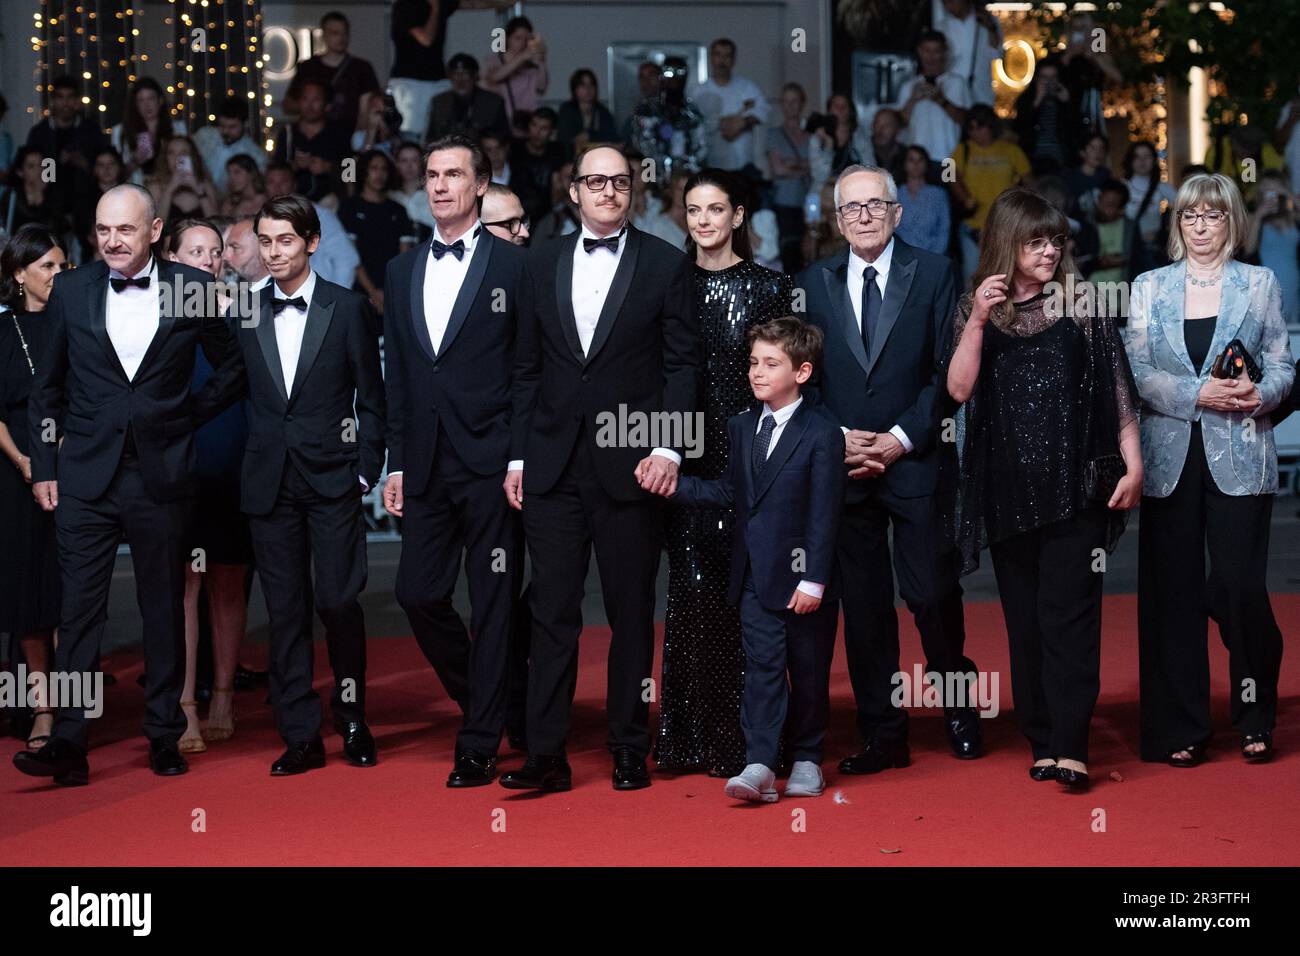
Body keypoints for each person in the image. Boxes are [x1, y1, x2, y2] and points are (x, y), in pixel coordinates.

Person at [14, 184, 245, 786]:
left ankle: (164, 734)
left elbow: (234, 366)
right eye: (103, 230)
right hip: (85, 476)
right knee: (78, 611)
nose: (112, 241)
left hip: (161, 473)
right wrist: (45, 466)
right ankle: (68, 741)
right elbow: (47, 389)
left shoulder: (193, 288)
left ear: (155, 230)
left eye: (125, 229)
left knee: (161, 607)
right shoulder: (72, 289)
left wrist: (187, 415)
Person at [500, 144, 699, 792]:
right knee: (551, 612)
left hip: (632, 466)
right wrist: (519, 454)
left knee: (630, 613)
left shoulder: (667, 263)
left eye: (619, 181)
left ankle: (628, 747)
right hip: (553, 465)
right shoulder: (539, 263)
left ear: (632, 189)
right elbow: (526, 369)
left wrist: (668, 449)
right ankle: (546, 755)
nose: (608, 191)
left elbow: (682, 366)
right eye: (595, 181)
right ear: (574, 190)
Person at [947, 188, 1142, 791]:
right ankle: (1042, 737)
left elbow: (1118, 394)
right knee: (1025, 623)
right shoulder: (976, 309)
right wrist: (977, 320)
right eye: (1035, 241)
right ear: (1007, 243)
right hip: (1007, 492)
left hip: (1076, 488)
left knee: (1071, 618)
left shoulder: (1083, 305)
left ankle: (1072, 745)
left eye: (1055, 240)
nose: (1049, 251)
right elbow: (958, 390)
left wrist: (1134, 466)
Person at [796, 164, 980, 774]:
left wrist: (900, 439)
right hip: (846, 468)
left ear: (897, 214)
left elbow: (947, 372)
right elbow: (804, 378)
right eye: (852, 207)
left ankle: (959, 706)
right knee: (865, 607)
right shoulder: (811, 283)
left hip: (916, 460)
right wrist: (840, 438)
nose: (865, 216)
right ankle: (882, 732)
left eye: (876, 204)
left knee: (931, 594)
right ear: (837, 219)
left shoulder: (934, 273)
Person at [1122, 173, 1295, 767]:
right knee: (1172, 592)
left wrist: (1259, 393)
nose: (1200, 226)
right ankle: (1183, 726)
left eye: (1213, 215)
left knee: (1239, 588)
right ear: (1178, 223)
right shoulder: (1149, 286)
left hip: (1242, 449)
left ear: (1231, 221)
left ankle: (1255, 713)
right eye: (1190, 216)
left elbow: (1282, 365)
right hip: (1168, 457)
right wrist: (1197, 393)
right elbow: (1135, 370)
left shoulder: (1259, 283)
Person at [382, 134, 527, 786]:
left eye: (453, 174)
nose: (440, 185)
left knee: (494, 603)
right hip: (426, 463)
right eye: (432, 175)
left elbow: (527, 372)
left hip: (493, 463)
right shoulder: (401, 270)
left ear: (480, 185)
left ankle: (478, 744)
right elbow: (399, 376)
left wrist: (520, 457)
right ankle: (494, 705)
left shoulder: (515, 267)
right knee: (417, 593)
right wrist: (396, 462)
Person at [662, 318, 844, 802]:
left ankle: (807, 758)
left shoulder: (824, 432)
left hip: (804, 581)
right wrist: (674, 486)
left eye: (770, 364)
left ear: (802, 372)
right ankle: (760, 763)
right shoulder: (743, 426)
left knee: (808, 671)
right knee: (762, 668)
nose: (756, 373)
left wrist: (814, 579)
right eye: (752, 363)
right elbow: (731, 492)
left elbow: (825, 513)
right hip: (754, 578)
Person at [237, 194, 385, 775]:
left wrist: (365, 468)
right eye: (265, 241)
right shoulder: (246, 311)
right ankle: (299, 733)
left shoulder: (347, 309)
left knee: (339, 602)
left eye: (286, 240)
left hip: (333, 480)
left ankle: (352, 718)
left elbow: (372, 398)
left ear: (312, 243)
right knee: (286, 610)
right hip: (268, 482)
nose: (274, 252)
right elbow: (227, 386)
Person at [656, 168, 793, 777]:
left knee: (749, 594)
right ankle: (691, 738)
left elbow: (786, 378)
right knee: (691, 589)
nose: (704, 220)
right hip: (684, 453)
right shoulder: (669, 282)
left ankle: (747, 740)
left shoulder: (771, 287)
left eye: (715, 209)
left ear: (738, 216)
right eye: (694, 210)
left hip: (749, 455)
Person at [164, 219, 252, 751]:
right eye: (195, 251)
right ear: (172, 258)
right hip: (178, 461)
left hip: (232, 458)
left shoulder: (242, 311)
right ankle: (185, 706)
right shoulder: (157, 311)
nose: (208, 260)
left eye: (215, 252)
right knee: (185, 585)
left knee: (227, 581)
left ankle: (223, 694)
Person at [0, 226, 68, 751]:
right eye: (47, 266)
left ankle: (73, 708)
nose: (58, 275)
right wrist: (25, 461)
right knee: (28, 595)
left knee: (72, 593)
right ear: (19, 274)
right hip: (15, 473)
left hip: (76, 470)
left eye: (64, 266)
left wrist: (64, 452)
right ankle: (42, 709)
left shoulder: (78, 323)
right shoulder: (3, 333)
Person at [388, 0, 515, 140]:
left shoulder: (441, 2)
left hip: (437, 80)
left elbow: (472, 3)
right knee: (411, 135)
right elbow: (426, 39)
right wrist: (435, 9)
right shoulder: (404, 5)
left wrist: (503, 3)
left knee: (442, 132)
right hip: (409, 83)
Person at [950, 105, 1030, 285]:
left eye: (980, 126)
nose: (976, 132)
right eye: (971, 128)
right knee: (972, 276)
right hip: (973, 226)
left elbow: (1029, 180)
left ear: (991, 126)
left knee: (1004, 276)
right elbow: (948, 175)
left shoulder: (1011, 150)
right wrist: (964, 197)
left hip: (1004, 225)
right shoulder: (963, 149)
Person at [338, 149, 416, 315]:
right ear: (364, 171)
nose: (379, 174)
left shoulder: (398, 210)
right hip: (357, 289)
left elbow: (404, 256)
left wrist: (390, 290)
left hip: (392, 290)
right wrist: (372, 291)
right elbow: (349, 255)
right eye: (374, 168)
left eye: (384, 169)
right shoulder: (349, 207)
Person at [264, 162, 360, 290]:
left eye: (283, 182)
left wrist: (336, 298)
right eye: (271, 182)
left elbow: (346, 259)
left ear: (294, 185)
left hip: (317, 295)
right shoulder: (259, 219)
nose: (277, 188)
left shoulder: (319, 216)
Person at [283, 11, 382, 134]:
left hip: (348, 136)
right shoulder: (308, 67)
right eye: (335, 33)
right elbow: (288, 104)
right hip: (315, 136)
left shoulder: (362, 68)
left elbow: (366, 109)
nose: (341, 38)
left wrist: (359, 138)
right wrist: (312, 107)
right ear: (324, 35)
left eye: (345, 33)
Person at [693, 38, 772, 177]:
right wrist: (722, 123)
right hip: (711, 165)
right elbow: (694, 125)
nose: (722, 61)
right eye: (718, 55)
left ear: (734, 59)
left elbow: (763, 110)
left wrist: (743, 123)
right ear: (711, 58)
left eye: (727, 56)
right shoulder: (699, 92)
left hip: (743, 166)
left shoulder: (747, 88)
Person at [894, 31, 969, 172]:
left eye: (936, 51)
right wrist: (913, 100)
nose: (931, 57)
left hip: (949, 159)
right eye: (927, 51)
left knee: (949, 187)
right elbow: (900, 124)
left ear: (944, 53)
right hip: (917, 161)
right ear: (919, 52)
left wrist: (940, 99)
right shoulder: (909, 86)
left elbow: (965, 121)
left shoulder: (957, 83)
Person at [629, 58, 708, 180]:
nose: (674, 77)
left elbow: (701, 147)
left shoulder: (692, 112)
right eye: (669, 72)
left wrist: (686, 169)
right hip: (653, 178)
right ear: (661, 76)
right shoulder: (646, 110)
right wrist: (654, 177)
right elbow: (641, 147)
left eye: (680, 72)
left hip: (685, 178)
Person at [273, 80, 351, 204]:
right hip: (293, 203)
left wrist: (328, 167)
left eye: (316, 100)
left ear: (327, 105)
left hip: (331, 203)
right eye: (305, 99)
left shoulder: (339, 134)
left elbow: (351, 173)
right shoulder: (287, 133)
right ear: (298, 102)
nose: (309, 106)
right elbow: (274, 171)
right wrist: (295, 165)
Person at [767, 83, 812, 274]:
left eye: (794, 101)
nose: (790, 106)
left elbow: (818, 167)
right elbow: (778, 169)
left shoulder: (811, 135)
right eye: (786, 101)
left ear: (802, 103)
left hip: (809, 202)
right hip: (784, 203)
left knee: (810, 254)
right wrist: (805, 166)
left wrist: (792, 164)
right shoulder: (774, 134)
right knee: (789, 255)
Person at [1244, 171, 1300, 325]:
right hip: (1265, 286)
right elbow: (1248, 249)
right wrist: (1259, 215)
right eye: (1266, 188)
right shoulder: (1253, 217)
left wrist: (1286, 192)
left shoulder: (1292, 216)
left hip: (1292, 282)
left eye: (1274, 187)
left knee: (1293, 330)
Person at [1059, 10, 1121, 140]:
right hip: (1068, 112)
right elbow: (1056, 75)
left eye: (1085, 28)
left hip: (1093, 109)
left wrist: (1094, 56)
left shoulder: (1100, 55)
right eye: (1076, 29)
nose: (1082, 33)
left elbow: (1117, 78)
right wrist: (1071, 54)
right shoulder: (1065, 57)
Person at [483, 16, 549, 137]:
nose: (523, 43)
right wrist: (522, 57)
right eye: (518, 38)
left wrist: (542, 61)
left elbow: (541, 87)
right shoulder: (494, 61)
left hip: (525, 126)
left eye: (527, 39)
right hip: (500, 125)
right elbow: (494, 77)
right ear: (507, 39)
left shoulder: (531, 65)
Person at [930, 0, 1002, 108]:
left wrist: (990, 28)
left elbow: (997, 54)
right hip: (952, 93)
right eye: (945, 3)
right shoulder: (941, 27)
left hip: (981, 91)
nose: (948, 6)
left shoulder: (987, 22)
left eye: (951, 2)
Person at [110, 77, 185, 180]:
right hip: (136, 185)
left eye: (151, 98)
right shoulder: (120, 131)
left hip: (169, 183)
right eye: (141, 100)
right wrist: (134, 161)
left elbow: (187, 163)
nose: (147, 105)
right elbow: (114, 176)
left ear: (160, 100)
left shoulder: (178, 128)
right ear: (135, 104)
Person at [193, 96, 268, 195]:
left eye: (232, 127)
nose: (225, 131)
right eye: (222, 126)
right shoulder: (203, 136)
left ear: (245, 124)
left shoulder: (256, 155)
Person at [1013, 54, 1074, 174]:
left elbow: (1073, 130)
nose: (1049, 82)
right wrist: (1037, 101)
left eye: (1053, 77)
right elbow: (1020, 128)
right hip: (1032, 159)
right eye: (1044, 77)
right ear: (1036, 78)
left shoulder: (1065, 99)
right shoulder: (1026, 99)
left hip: (1061, 159)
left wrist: (1067, 104)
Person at [1122, 140, 1175, 276]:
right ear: (1130, 160)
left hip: (1152, 248)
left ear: (1154, 160)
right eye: (1137, 156)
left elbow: (1184, 206)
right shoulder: (1122, 186)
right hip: (1127, 249)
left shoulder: (1162, 187)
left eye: (1147, 156)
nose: (1142, 161)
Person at [509, 108, 565, 226]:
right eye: (534, 125)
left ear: (552, 132)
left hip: (546, 217)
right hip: (515, 213)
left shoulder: (557, 152)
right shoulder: (514, 149)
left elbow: (558, 188)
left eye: (544, 128)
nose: (537, 132)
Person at [147, 136, 220, 223]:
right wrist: (169, 190)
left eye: (183, 153)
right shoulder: (155, 188)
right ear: (166, 158)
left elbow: (216, 224)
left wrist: (199, 191)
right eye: (171, 153)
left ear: (192, 157)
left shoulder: (206, 186)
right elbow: (155, 225)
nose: (177, 158)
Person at [2, 147, 68, 240]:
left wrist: (41, 200)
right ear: (20, 172)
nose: (38, 170)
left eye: (41, 165)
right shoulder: (12, 196)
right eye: (31, 166)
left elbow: (58, 229)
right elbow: (9, 229)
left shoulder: (54, 193)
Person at [895, 145, 950, 255]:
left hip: (932, 254)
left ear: (926, 164)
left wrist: (935, 255)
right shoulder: (894, 194)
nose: (916, 164)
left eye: (920, 160)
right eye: (911, 160)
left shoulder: (938, 194)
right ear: (904, 164)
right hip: (900, 255)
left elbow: (944, 229)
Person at [555, 69, 619, 159]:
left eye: (591, 84)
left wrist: (590, 135)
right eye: (583, 85)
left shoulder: (603, 112)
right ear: (574, 89)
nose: (588, 89)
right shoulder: (567, 110)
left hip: (598, 158)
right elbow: (563, 139)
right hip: (570, 159)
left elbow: (613, 137)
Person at [1064, 132, 1112, 218]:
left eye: (1102, 148)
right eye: (1093, 148)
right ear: (1082, 152)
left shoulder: (1106, 176)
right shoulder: (1070, 178)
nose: (1098, 152)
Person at [219, 155, 267, 220]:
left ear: (251, 173)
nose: (232, 178)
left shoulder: (267, 199)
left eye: (237, 172)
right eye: (229, 174)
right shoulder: (229, 204)